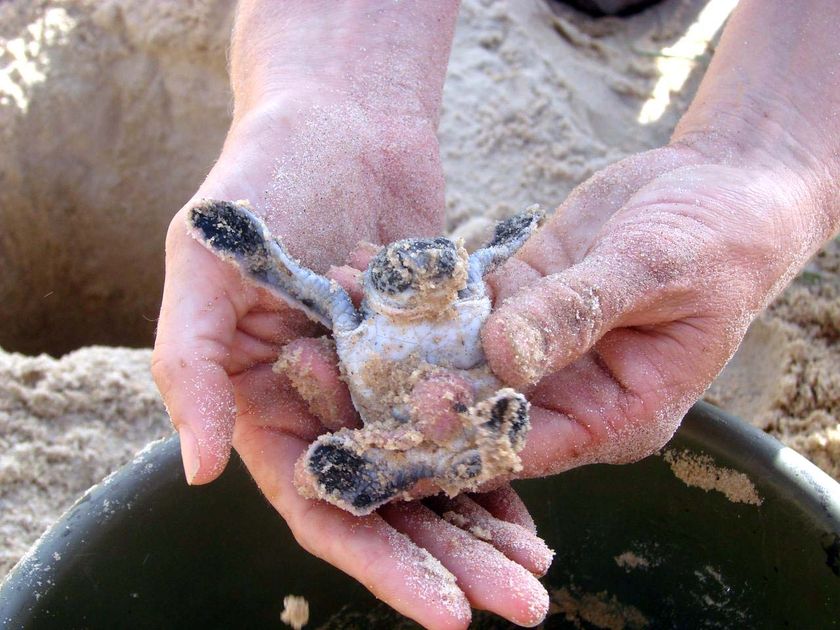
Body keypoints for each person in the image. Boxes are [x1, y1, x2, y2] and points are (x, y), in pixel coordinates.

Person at [151, 1, 840, 628]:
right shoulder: (370, 303)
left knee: (463, 401)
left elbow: (486, 260)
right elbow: (298, 283)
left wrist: (767, 160)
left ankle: (438, 449)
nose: (424, 271)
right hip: (413, 403)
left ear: (459, 266)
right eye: (408, 269)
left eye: (439, 264)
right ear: (385, 282)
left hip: (461, 391)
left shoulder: (466, 284)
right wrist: (329, 103)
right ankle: (416, 453)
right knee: (439, 417)